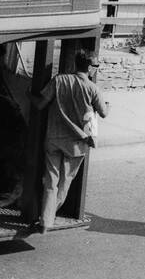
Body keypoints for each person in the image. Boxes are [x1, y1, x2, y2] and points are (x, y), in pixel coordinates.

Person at [33, 50, 108, 233]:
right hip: (76, 145)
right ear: (90, 68)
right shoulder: (93, 88)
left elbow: (40, 104)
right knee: (64, 183)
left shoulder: (59, 80)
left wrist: (28, 94)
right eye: (96, 66)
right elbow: (104, 113)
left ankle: (45, 220)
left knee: (51, 180)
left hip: (53, 139)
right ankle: (48, 218)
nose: (96, 70)